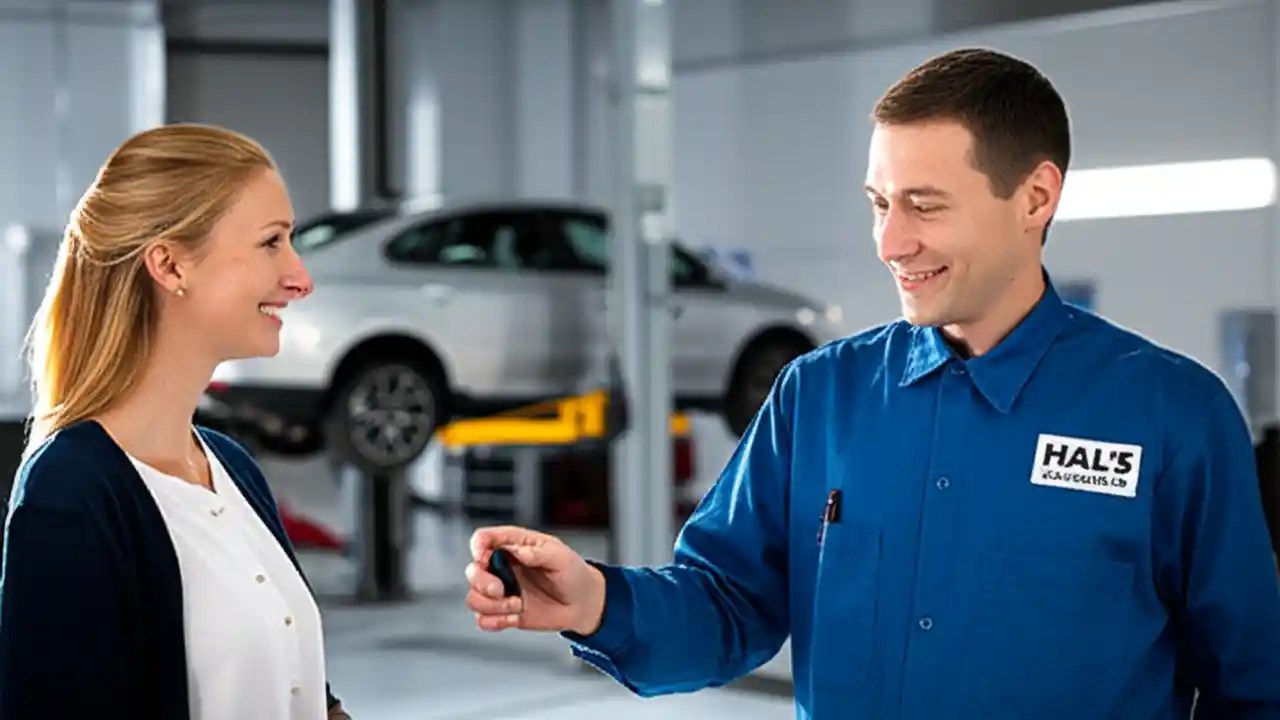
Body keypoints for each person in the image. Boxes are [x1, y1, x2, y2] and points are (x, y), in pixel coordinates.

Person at [464, 47, 1280, 718]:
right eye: (878, 201)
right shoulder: (818, 399)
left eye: (924, 205)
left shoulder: (1172, 417)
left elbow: (1254, 684)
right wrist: (597, 602)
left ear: (1035, 197)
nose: (890, 241)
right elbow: (728, 604)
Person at [0, 124, 351, 719]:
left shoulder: (230, 466)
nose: (300, 277)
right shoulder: (71, 493)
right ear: (169, 264)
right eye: (271, 242)